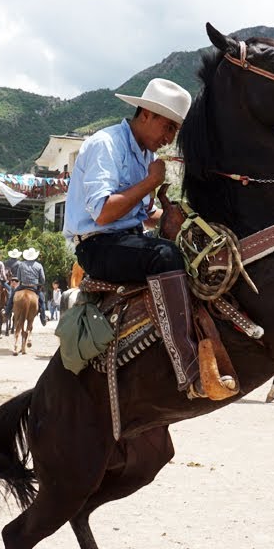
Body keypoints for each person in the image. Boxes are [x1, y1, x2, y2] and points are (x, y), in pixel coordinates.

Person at [65, 78, 200, 392]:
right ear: (147, 114)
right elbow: (102, 212)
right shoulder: (106, 144)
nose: (169, 139)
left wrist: (171, 214)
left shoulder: (145, 157)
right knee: (165, 255)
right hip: (97, 246)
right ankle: (186, 362)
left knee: (189, 249)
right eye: (167, 127)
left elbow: (138, 215)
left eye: (174, 132)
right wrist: (150, 183)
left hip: (125, 240)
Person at [10, 247, 48, 326]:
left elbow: (19, 277)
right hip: (34, 287)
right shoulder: (39, 265)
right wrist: (40, 283)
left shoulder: (21, 264)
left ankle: (7, 312)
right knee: (42, 301)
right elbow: (43, 279)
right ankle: (43, 318)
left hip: (23, 286)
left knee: (12, 296)